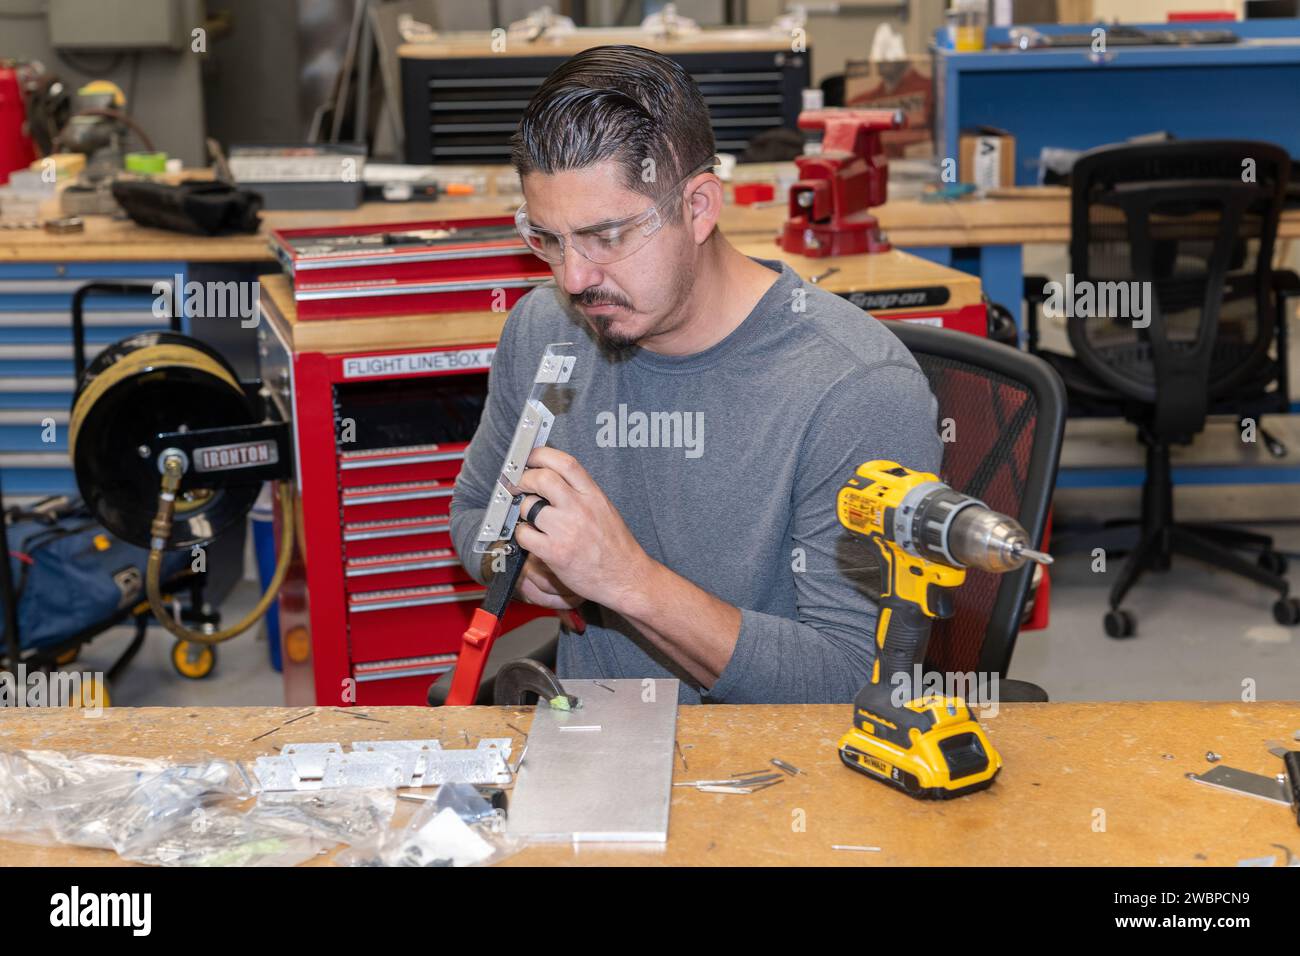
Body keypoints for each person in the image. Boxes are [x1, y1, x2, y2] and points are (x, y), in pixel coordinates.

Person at [450, 45, 941, 704]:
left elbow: (855, 682)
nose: (573, 277)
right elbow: (476, 513)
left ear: (700, 206)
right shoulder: (547, 330)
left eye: (607, 237)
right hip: (599, 750)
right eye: (549, 239)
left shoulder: (855, 389)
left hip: (788, 780)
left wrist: (627, 581)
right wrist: (522, 561)